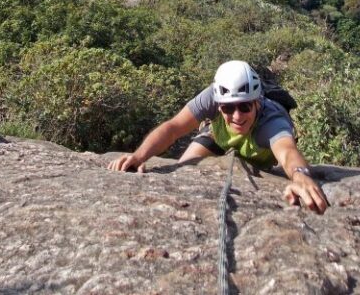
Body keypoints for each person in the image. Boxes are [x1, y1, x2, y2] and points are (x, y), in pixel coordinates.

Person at [107, 60, 328, 214]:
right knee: (183, 172)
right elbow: (173, 127)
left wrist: (301, 177)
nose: (237, 116)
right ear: (219, 105)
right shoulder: (210, 98)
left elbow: (287, 151)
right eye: (228, 109)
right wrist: (139, 156)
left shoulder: (271, 121)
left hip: (258, 152)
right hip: (219, 138)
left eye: (245, 107)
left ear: (257, 102)